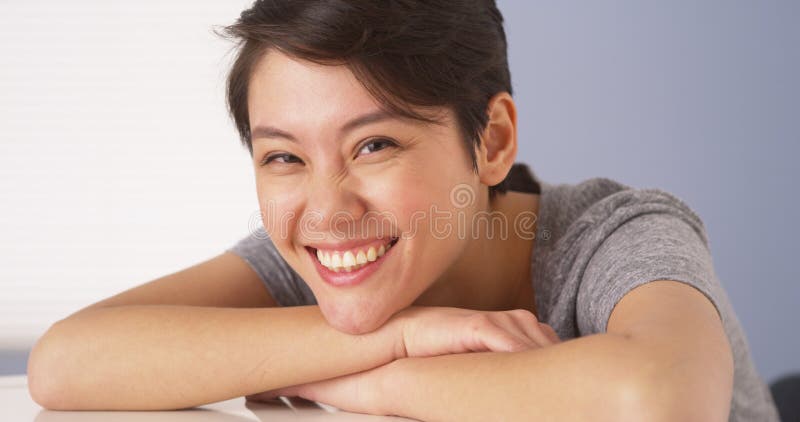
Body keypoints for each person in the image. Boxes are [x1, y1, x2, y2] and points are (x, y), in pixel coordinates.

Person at [26, 1, 780, 420]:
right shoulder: (326, 261)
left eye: (374, 145)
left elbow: (658, 398)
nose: (326, 209)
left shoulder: (612, 234)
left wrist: (374, 379)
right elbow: (66, 362)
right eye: (283, 156)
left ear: (492, 141)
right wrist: (411, 332)